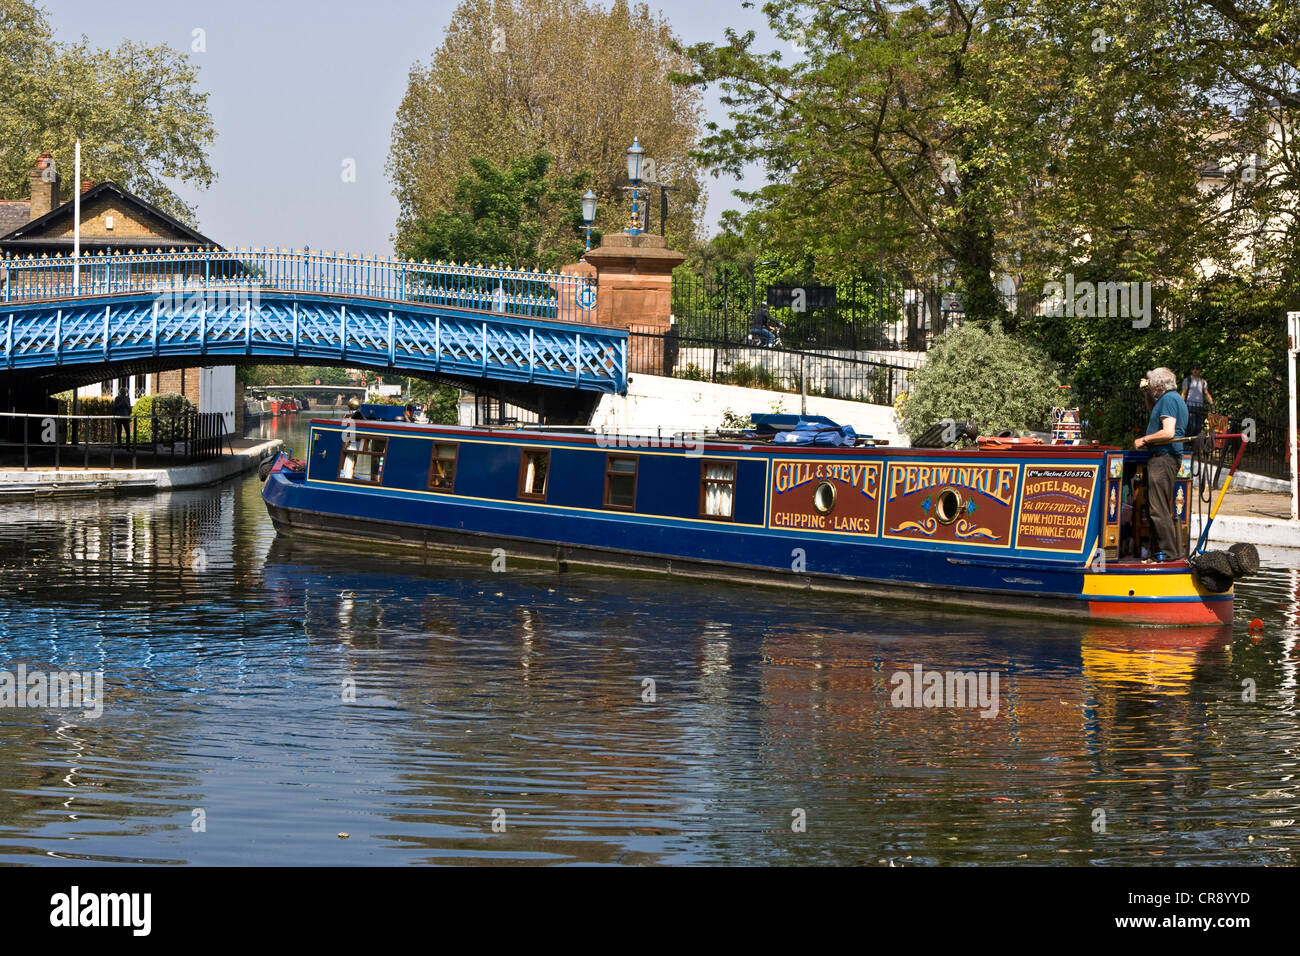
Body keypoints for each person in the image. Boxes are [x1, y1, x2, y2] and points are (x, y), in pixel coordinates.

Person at [1134, 367, 1189, 561]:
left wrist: (1145, 440)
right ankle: (1163, 552)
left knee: (1158, 509)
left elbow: (1168, 432)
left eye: (1151, 383)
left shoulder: (1169, 400)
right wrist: (1147, 394)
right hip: (1165, 458)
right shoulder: (1170, 400)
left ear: (1158, 384)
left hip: (1164, 458)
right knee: (1158, 507)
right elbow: (1153, 412)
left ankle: (1169, 554)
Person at [1180, 362, 1214, 436]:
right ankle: (1187, 444)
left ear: (1200, 370)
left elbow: (1206, 393)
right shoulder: (1187, 380)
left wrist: (1212, 404)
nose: (1195, 370)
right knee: (1190, 426)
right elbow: (1183, 393)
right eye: (1193, 368)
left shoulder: (1203, 382)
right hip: (1189, 406)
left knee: (1198, 427)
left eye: (1197, 368)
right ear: (1191, 370)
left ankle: (1195, 445)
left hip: (1200, 406)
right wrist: (1181, 406)